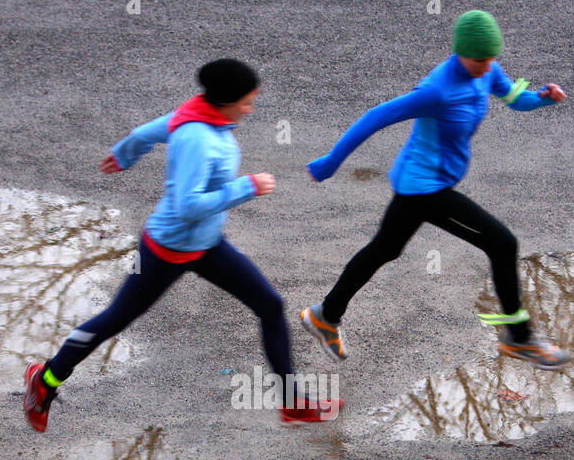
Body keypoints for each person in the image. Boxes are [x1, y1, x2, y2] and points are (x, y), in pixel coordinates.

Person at [23, 58, 342, 431]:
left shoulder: (197, 114)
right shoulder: (199, 139)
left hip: (207, 246)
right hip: (167, 250)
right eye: (247, 101)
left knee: (270, 306)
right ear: (226, 101)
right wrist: (247, 187)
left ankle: (292, 404)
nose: (251, 108)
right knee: (115, 319)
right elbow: (187, 206)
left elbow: (148, 132)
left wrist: (125, 154)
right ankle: (44, 381)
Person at [300, 10, 572, 370]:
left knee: (385, 249)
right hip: (424, 188)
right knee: (501, 242)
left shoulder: (486, 69)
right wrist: (331, 162)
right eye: (480, 59)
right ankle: (520, 339)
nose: (488, 66)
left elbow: (513, 96)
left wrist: (542, 97)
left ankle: (325, 315)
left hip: (431, 184)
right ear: (461, 52)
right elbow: (376, 116)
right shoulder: (436, 90)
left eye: (493, 58)